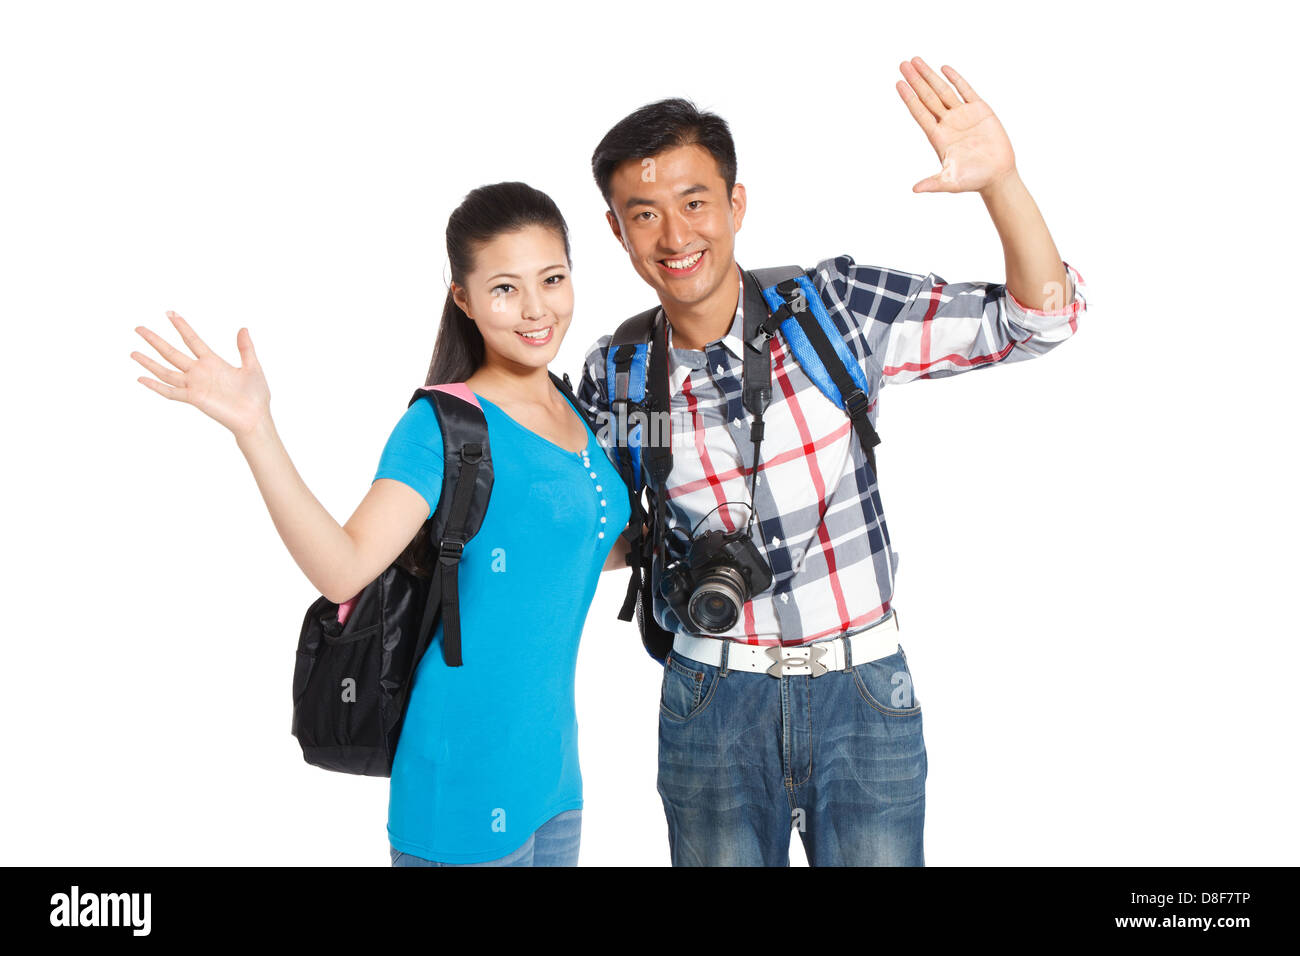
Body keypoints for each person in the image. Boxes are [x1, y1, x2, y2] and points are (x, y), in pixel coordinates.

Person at [576, 59, 1088, 866]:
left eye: (695, 202)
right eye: (643, 215)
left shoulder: (833, 311)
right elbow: (599, 533)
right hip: (709, 696)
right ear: (616, 229)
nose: (675, 236)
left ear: (737, 205)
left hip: (862, 687)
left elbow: (1037, 323)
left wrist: (1003, 184)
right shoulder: (620, 370)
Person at [130, 181, 633, 866]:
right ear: (463, 298)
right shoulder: (442, 426)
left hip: (556, 779)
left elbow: (566, 547)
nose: (537, 309)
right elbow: (343, 568)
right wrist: (256, 429)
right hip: (459, 782)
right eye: (506, 289)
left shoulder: (573, 408)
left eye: (553, 278)